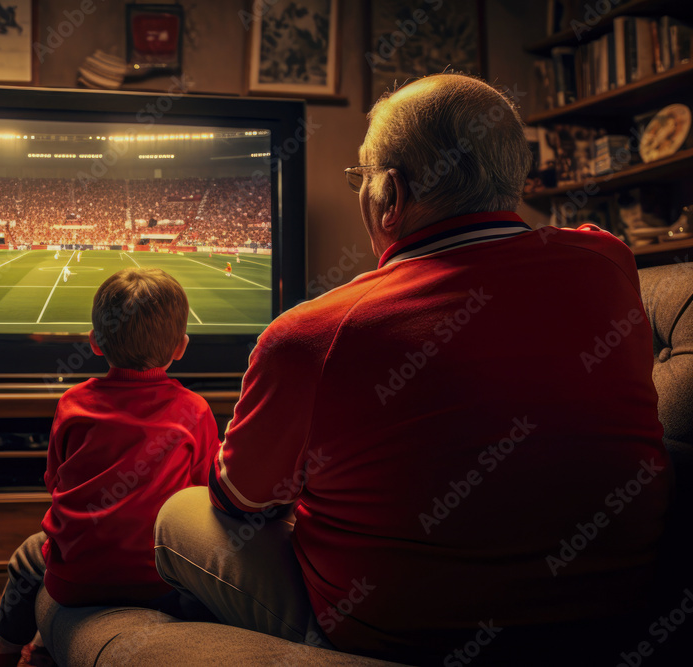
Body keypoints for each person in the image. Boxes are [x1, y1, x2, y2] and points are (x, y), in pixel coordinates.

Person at [154, 73, 672, 665]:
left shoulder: (311, 334)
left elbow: (239, 500)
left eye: (361, 178)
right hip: (608, 627)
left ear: (390, 195)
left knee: (178, 514)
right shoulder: (608, 261)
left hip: (398, 638)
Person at [0, 268, 219, 667]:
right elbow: (204, 493)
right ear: (181, 347)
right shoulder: (196, 411)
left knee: (26, 559)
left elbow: (54, 480)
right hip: (161, 585)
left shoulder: (72, 403)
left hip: (75, 583)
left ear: (95, 343)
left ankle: (0, 653)